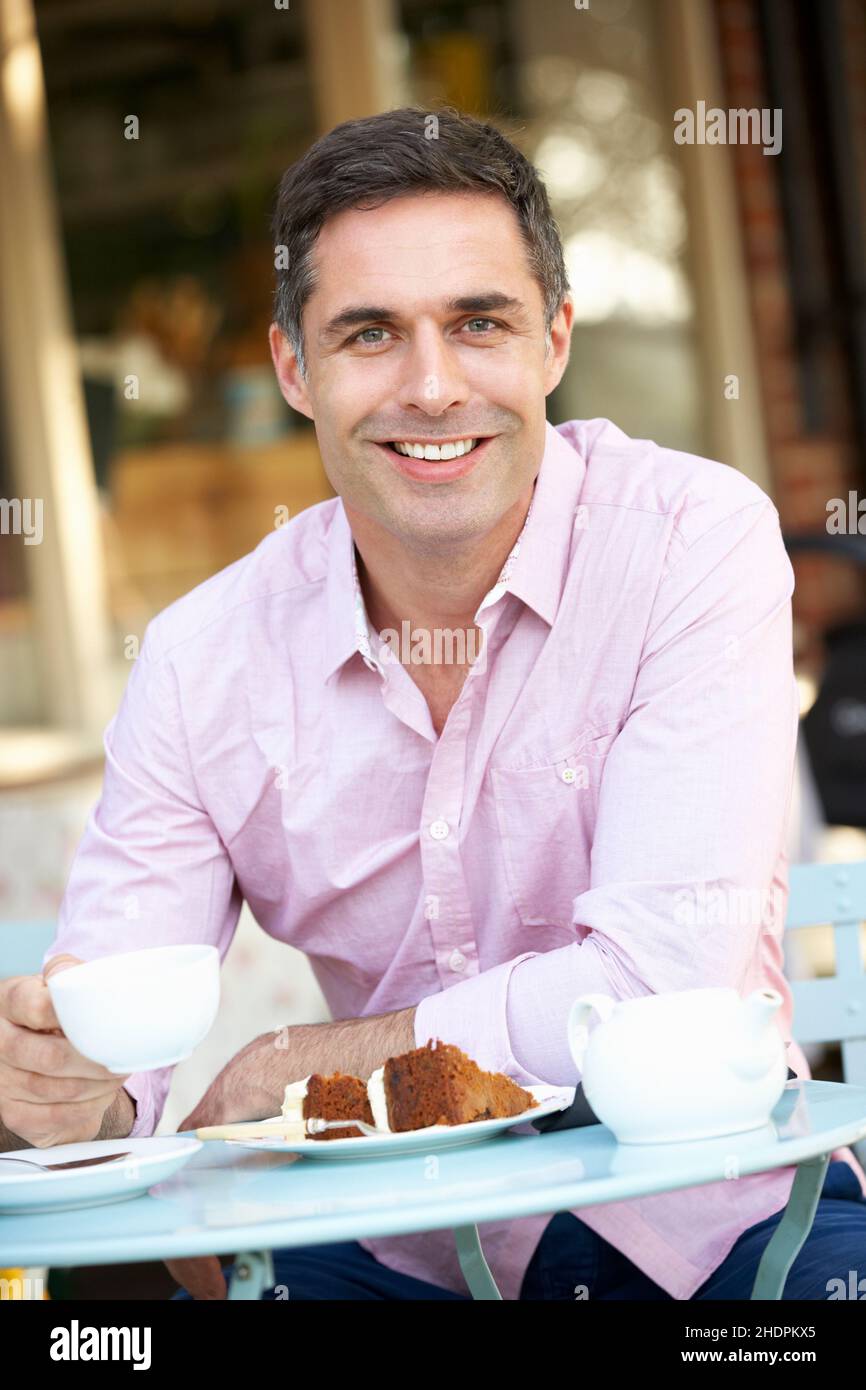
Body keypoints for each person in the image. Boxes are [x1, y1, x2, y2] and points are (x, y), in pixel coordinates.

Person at [2, 107, 864, 1302]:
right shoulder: (201, 660)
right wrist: (60, 1094)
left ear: (553, 339)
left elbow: (656, 979)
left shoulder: (687, 543)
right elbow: (113, 1059)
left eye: (477, 323)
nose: (430, 384)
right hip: (384, 1239)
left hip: (707, 1222)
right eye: (368, 333)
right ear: (293, 369)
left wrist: (308, 1066)